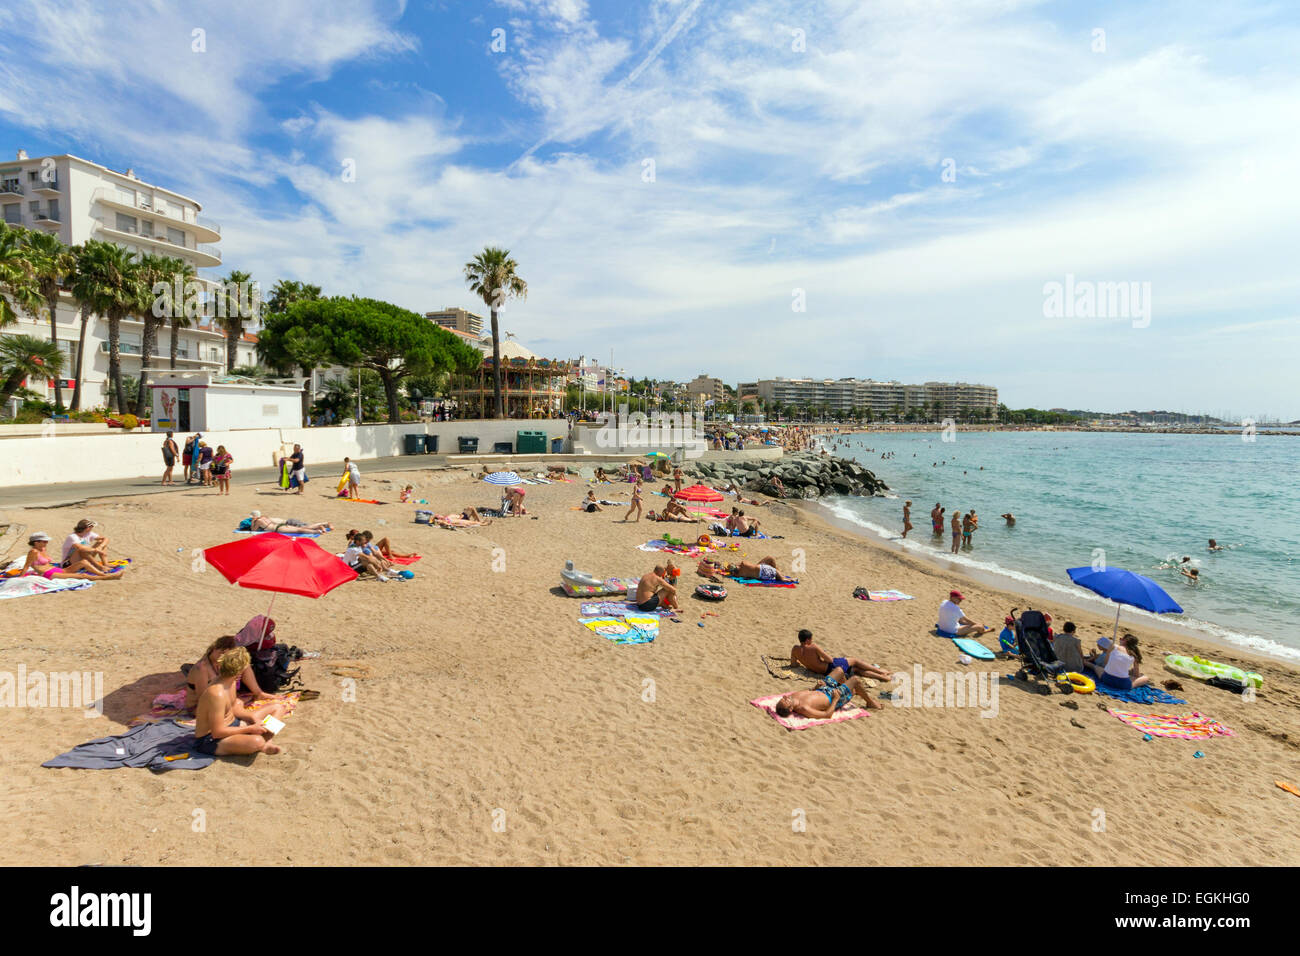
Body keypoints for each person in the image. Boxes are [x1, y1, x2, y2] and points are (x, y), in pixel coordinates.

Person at [192, 647, 282, 757]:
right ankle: (262, 743)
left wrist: (252, 718)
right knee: (257, 741)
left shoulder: (230, 682)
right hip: (211, 740)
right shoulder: (216, 694)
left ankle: (267, 741)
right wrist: (250, 728)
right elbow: (217, 732)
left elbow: (234, 708)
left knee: (278, 708)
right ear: (239, 671)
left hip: (234, 724)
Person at [184, 636, 287, 714]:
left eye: (226, 655)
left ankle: (258, 693)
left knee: (243, 665)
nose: (223, 656)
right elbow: (204, 698)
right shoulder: (201, 668)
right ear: (213, 649)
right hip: (200, 707)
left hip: (221, 699)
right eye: (221, 653)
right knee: (240, 707)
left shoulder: (222, 663)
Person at [774, 667, 882, 718]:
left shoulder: (793, 696)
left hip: (823, 689)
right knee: (855, 680)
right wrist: (835, 699)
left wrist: (816, 687)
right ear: (791, 709)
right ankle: (870, 702)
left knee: (839, 670)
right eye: (785, 700)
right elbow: (827, 715)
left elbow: (810, 692)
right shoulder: (804, 708)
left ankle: (850, 691)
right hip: (832, 697)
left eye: (783, 698)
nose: (784, 696)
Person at [790, 629, 893, 681]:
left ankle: (883, 677)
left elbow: (793, 664)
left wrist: (803, 663)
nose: (812, 640)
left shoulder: (795, 649)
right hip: (831, 667)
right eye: (811, 639)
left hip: (824, 673)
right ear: (808, 640)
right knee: (855, 661)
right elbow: (830, 660)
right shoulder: (813, 647)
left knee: (856, 670)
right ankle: (880, 672)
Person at [21, 532, 123, 581]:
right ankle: (107, 577)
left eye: (46, 541)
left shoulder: (42, 549)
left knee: (84, 562)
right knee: (81, 576)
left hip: (56, 569)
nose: (46, 543)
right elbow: (26, 565)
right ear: (36, 542)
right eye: (44, 541)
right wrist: (20, 577)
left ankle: (102, 573)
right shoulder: (33, 552)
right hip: (47, 574)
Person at [248, 511, 332, 534]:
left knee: (300, 530)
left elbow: (253, 530)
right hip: (281, 525)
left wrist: (252, 522)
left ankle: (317, 531)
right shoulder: (264, 517)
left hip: (278, 528)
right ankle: (320, 525)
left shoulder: (258, 520)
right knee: (301, 528)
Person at [726, 556, 791, 583]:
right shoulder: (742, 564)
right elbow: (737, 564)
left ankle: (780, 575)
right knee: (774, 568)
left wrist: (728, 571)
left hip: (760, 571)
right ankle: (782, 577)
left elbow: (732, 573)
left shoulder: (739, 575)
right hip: (763, 571)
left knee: (770, 559)